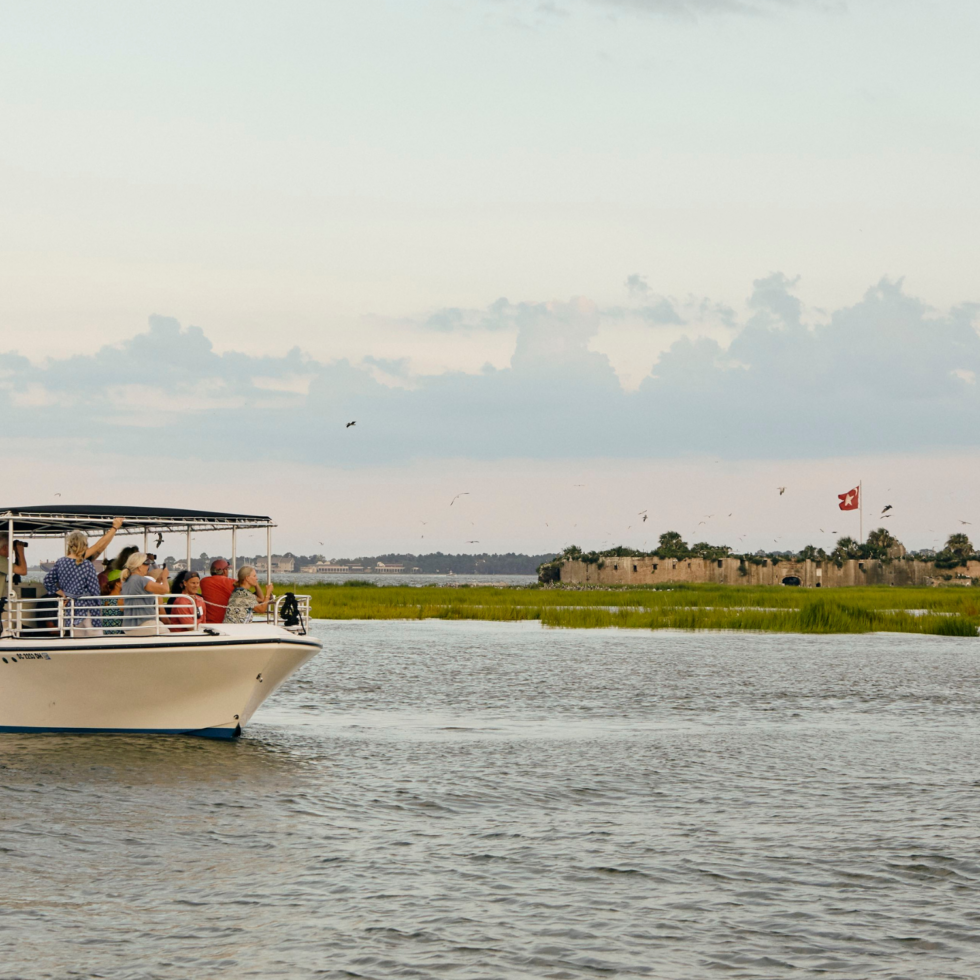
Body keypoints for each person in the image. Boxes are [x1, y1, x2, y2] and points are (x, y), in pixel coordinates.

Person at [44, 518, 125, 636]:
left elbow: (48, 581)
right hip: (87, 609)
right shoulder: (86, 564)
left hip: (71, 609)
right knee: (96, 637)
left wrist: (63, 594)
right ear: (84, 544)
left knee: (76, 638)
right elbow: (94, 589)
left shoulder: (61, 562)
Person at [120, 552, 171, 634]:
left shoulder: (126, 581)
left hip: (129, 627)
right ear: (139, 566)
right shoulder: (141, 580)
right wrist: (164, 578)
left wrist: (159, 581)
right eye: (146, 564)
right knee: (168, 634)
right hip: (144, 624)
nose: (148, 567)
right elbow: (165, 589)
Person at [201, 558, 235, 623]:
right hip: (227, 622)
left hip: (209, 622)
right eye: (227, 569)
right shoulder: (232, 582)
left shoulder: (204, 581)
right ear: (224, 571)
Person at [0, 533, 28, 599]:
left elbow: (18, 567)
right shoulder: (1, 560)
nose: (11, 550)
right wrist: (21, 551)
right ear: (4, 547)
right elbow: (23, 571)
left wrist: (16, 552)